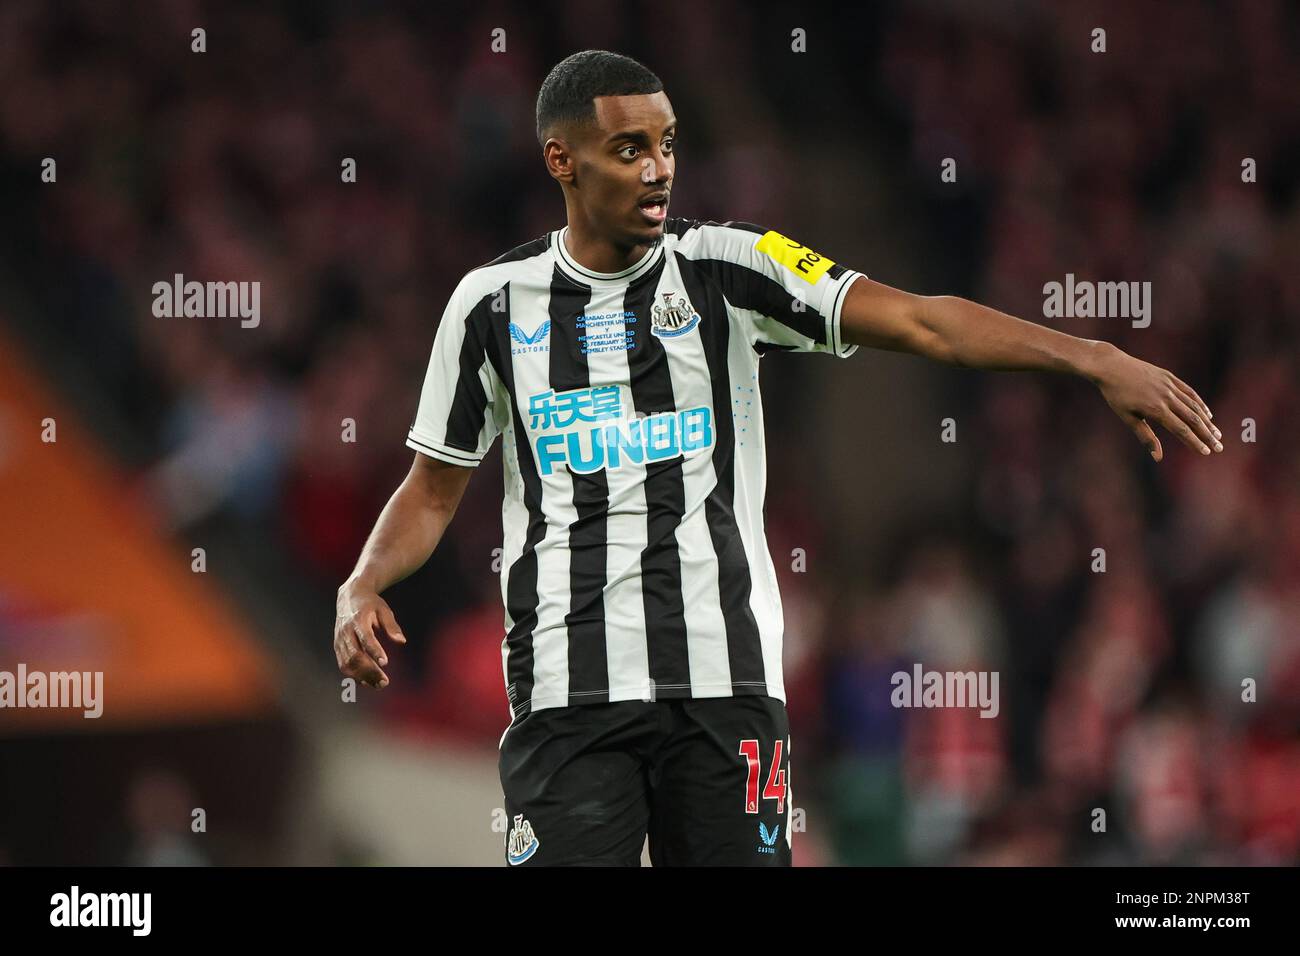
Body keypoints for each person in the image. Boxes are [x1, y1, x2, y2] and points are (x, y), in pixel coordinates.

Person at [333, 50, 1221, 867]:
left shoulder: (732, 266)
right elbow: (434, 487)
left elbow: (923, 320)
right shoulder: (489, 307)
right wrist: (365, 581)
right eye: (629, 148)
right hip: (570, 693)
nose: (659, 170)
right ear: (562, 160)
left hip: (728, 687)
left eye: (669, 144)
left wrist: (1095, 358)